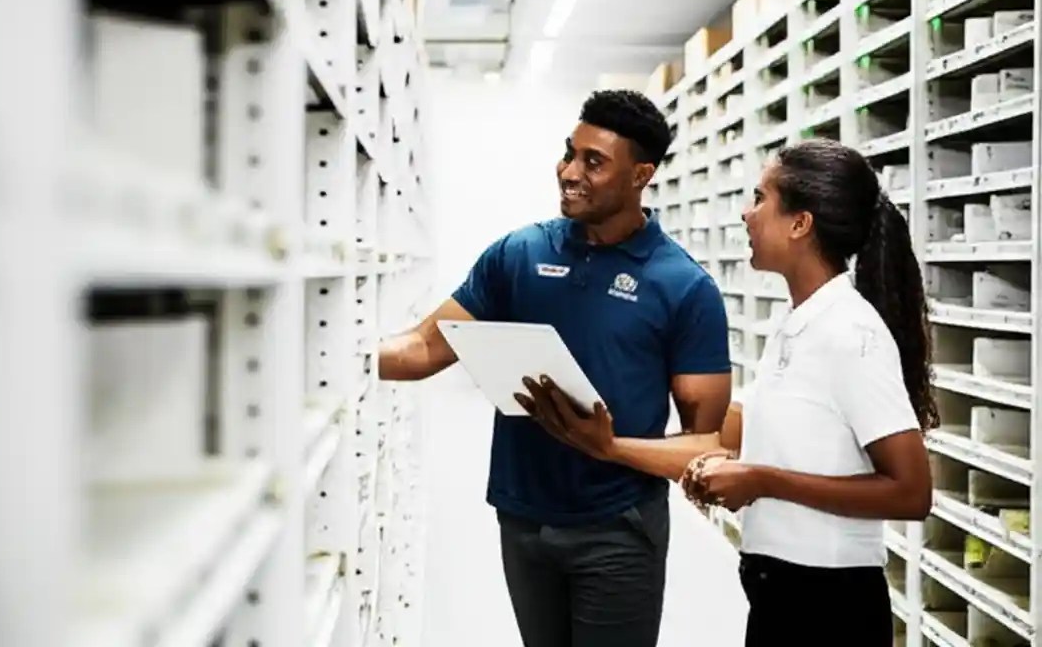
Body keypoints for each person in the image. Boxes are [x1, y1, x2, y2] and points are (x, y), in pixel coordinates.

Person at [516, 138, 937, 647]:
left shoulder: (851, 333)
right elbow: (729, 436)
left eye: (760, 199)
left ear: (800, 224)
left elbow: (912, 491)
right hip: (778, 590)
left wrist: (759, 479)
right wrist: (610, 445)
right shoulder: (797, 322)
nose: (745, 213)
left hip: (831, 603)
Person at [378, 89, 733, 647]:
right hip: (522, 518)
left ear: (641, 174)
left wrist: (609, 446)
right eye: (569, 153)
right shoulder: (517, 254)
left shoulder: (684, 287)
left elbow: (705, 448)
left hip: (618, 527)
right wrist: (332, 361)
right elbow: (425, 347)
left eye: (594, 162)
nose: (569, 171)